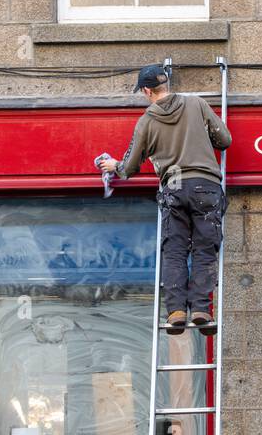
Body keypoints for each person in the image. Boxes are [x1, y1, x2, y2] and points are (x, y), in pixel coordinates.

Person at [97, 64, 232, 336]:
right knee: (205, 250)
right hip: (206, 186)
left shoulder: (146, 120)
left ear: (147, 90)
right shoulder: (197, 104)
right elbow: (225, 139)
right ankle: (201, 309)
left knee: (175, 251)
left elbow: (132, 164)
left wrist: (115, 166)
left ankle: (176, 311)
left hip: (174, 187)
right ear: (166, 83)